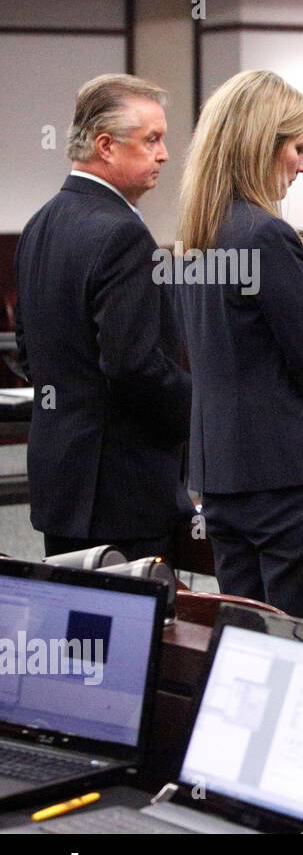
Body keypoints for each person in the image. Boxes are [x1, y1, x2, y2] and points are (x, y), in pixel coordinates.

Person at [174, 70, 303, 626]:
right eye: (299, 148)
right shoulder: (266, 234)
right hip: (289, 476)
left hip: (223, 477)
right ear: (263, 145)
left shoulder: (198, 235)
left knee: (245, 639)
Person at [16, 74, 191, 561]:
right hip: (121, 488)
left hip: (64, 478)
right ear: (106, 145)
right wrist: (203, 410)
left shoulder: (40, 223)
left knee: (78, 625)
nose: (165, 154)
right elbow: (132, 366)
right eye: (152, 139)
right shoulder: (121, 234)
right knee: (138, 632)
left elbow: (28, 347)